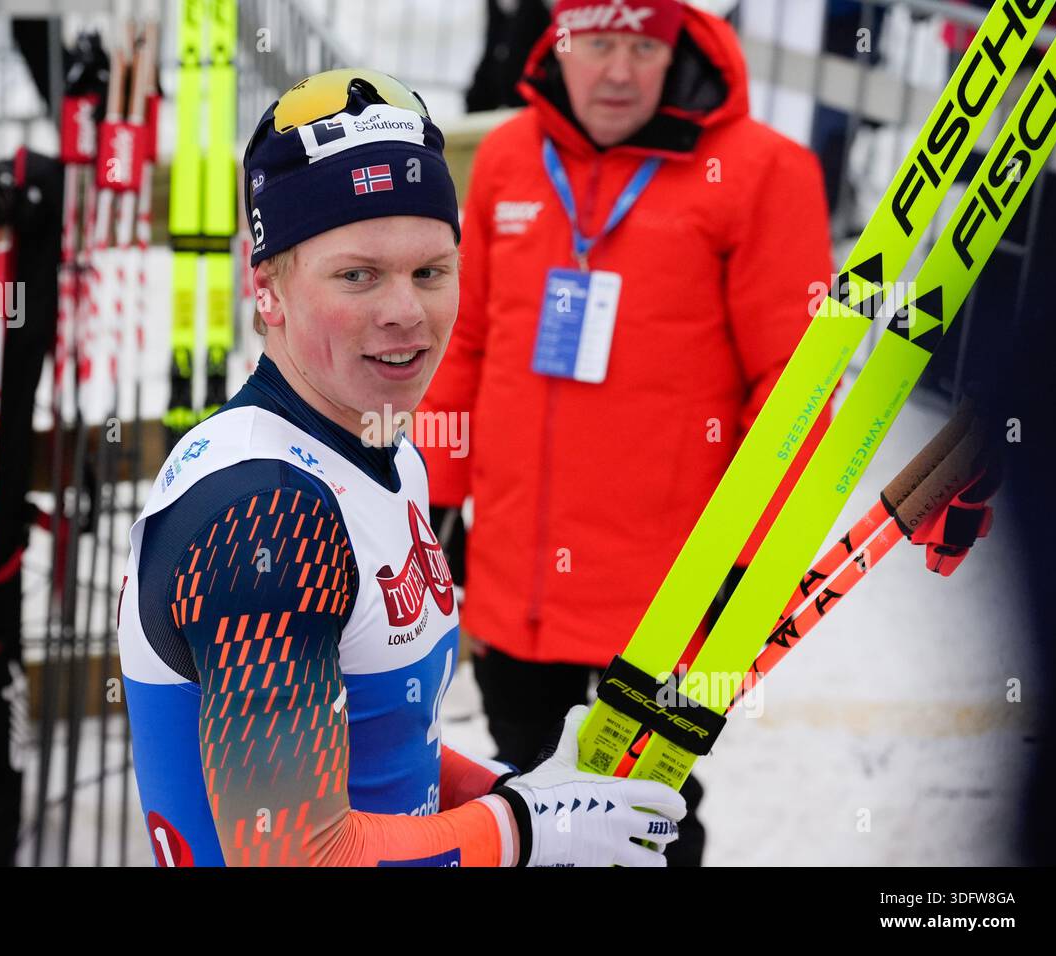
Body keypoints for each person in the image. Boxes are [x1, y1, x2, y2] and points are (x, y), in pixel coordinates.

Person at [116, 69, 688, 866]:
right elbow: (294, 854)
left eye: (431, 271)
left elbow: (381, 743)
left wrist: (508, 793)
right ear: (267, 286)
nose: (406, 312)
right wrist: (521, 833)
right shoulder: (263, 514)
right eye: (358, 275)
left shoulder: (387, 455)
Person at [418, 0, 835, 866]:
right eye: (595, 43)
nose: (616, 71)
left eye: (642, 46)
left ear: (678, 43)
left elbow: (793, 392)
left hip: (671, 594)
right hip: (517, 581)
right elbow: (464, 346)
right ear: (557, 43)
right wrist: (434, 507)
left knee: (651, 817)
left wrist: (750, 570)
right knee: (523, 806)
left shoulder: (763, 174)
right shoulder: (506, 158)